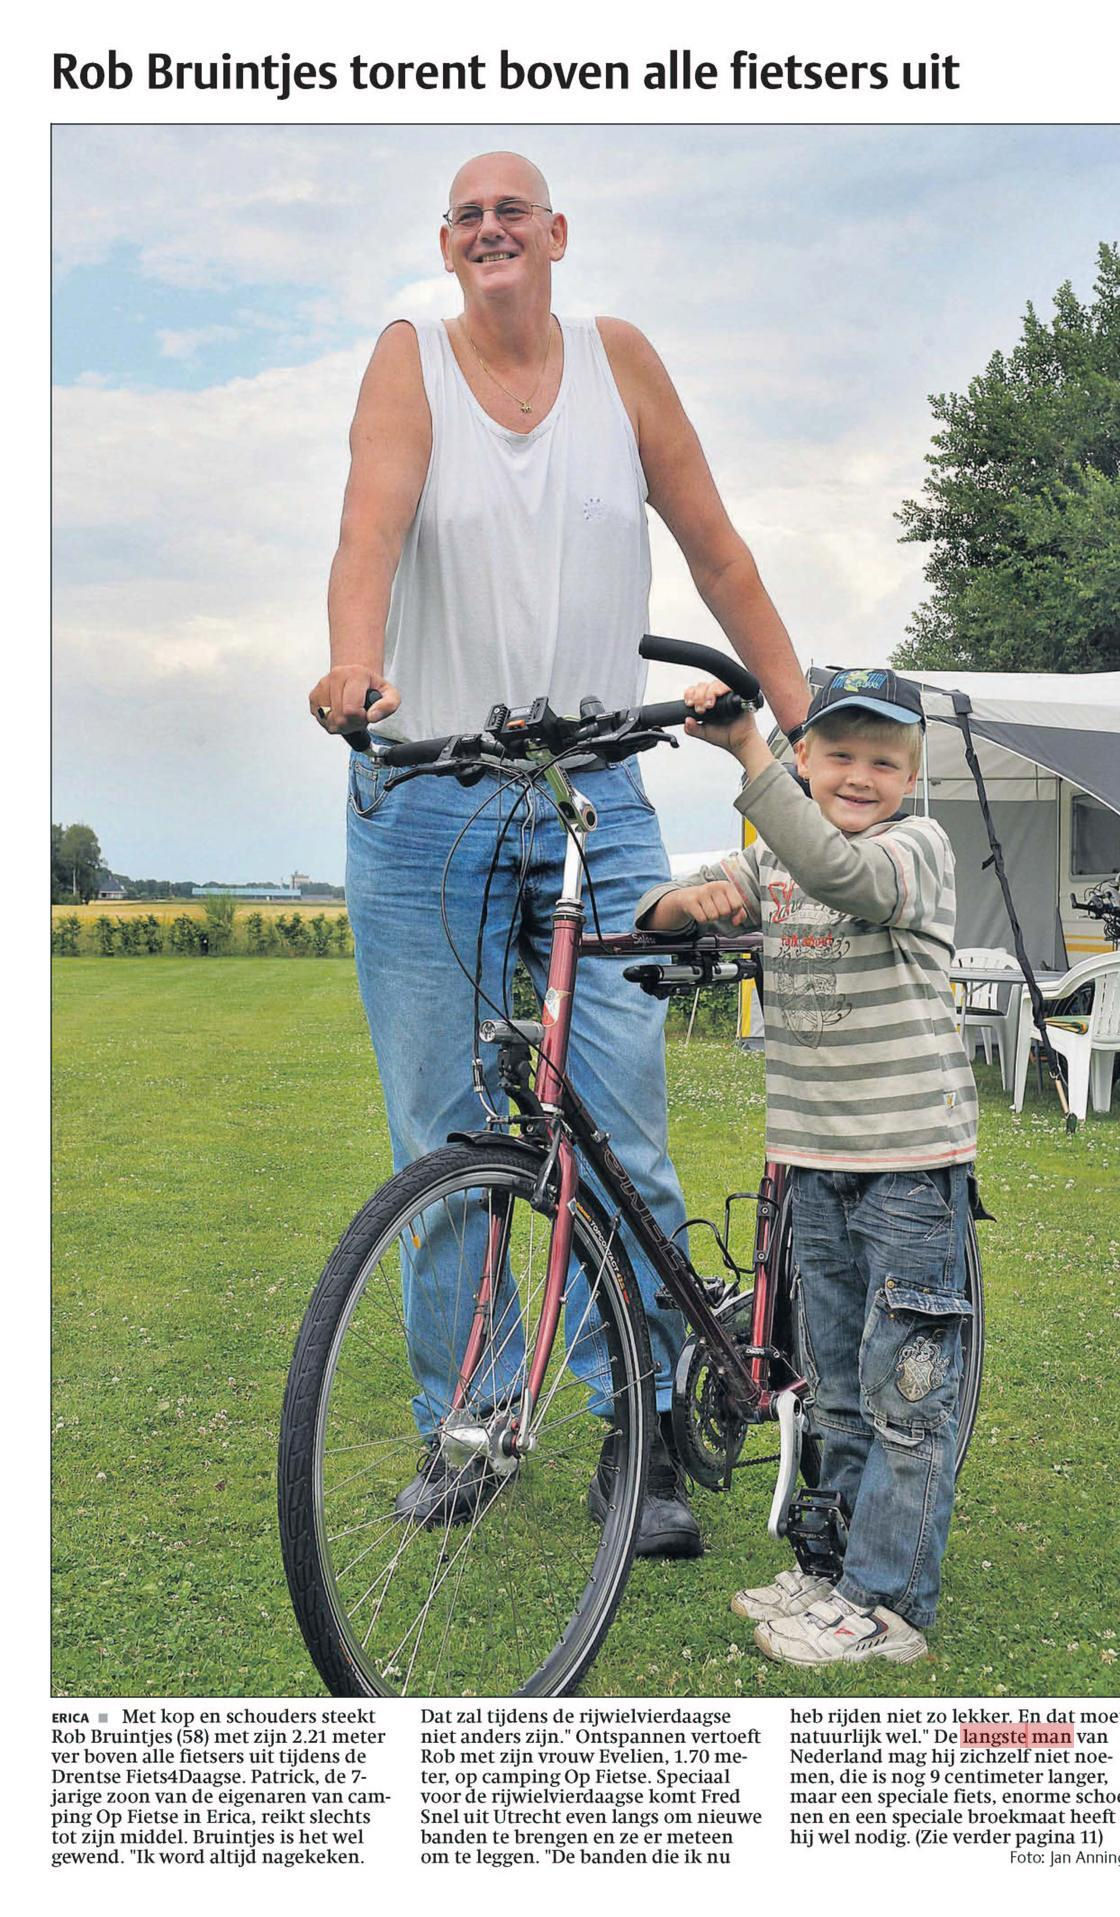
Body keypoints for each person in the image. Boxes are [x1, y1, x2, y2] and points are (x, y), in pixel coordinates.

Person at [309, 150, 810, 1557]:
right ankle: (468, 1425)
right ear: (449, 245)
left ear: (556, 233)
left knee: (622, 1128)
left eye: (510, 209)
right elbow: (371, 526)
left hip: (599, 791)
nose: (490, 229)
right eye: (467, 215)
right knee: (451, 1138)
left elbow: (715, 546)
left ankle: (635, 1428)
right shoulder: (409, 359)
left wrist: (803, 711)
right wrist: (354, 668)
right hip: (428, 800)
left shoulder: (619, 363)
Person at [637, 667, 978, 1657]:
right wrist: (683, 905)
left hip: (909, 1168)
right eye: (838, 753)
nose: (859, 774)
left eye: (883, 760)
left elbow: (843, 876)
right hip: (815, 1166)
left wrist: (748, 750)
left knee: (904, 1394)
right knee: (829, 1388)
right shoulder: (774, 859)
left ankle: (889, 1606)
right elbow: (689, 897)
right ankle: (825, 1573)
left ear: (909, 778)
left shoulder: (913, 850)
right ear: (807, 759)